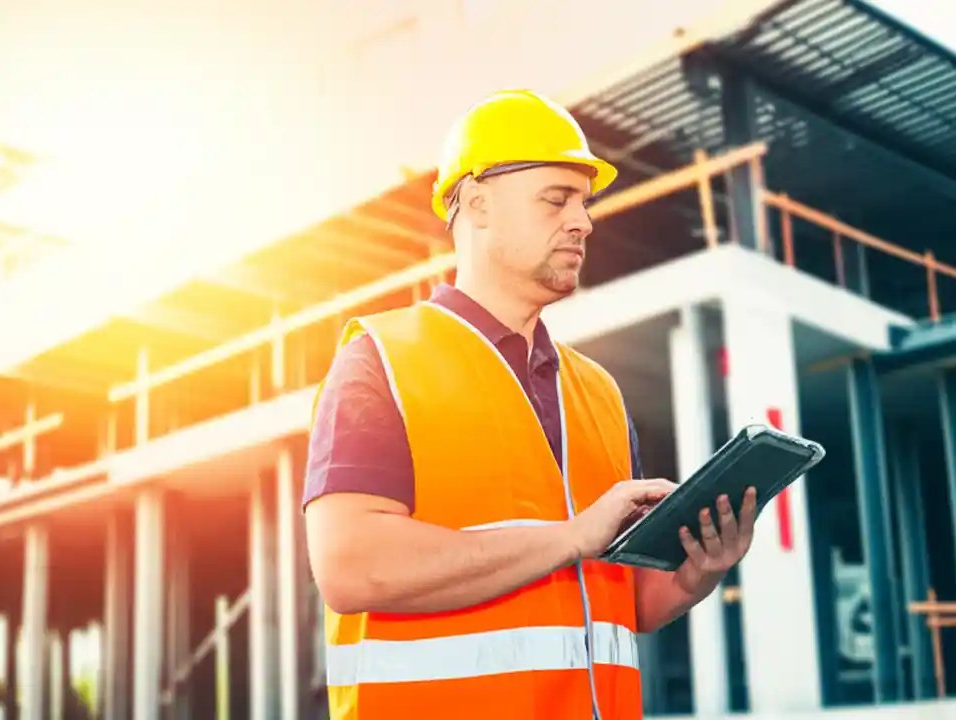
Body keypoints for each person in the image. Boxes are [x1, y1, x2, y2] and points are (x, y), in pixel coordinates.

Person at [302, 89, 758, 720]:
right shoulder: (381, 359)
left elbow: (626, 606)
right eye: (557, 199)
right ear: (478, 203)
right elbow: (352, 569)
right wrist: (571, 537)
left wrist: (695, 574)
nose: (584, 221)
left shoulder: (595, 389)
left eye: (584, 202)